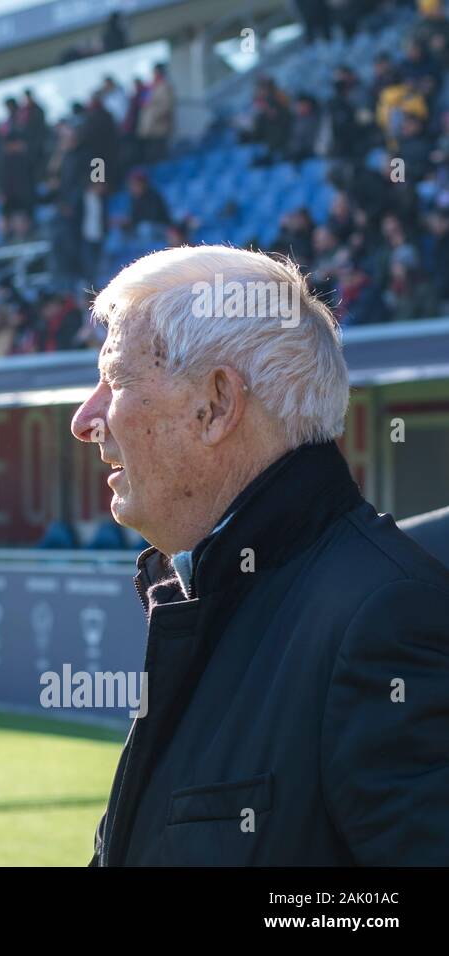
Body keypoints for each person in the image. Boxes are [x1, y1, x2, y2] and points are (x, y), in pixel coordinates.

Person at [72, 245, 449, 865]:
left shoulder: (383, 622)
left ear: (218, 404)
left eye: (115, 381)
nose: (86, 420)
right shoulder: (210, 599)